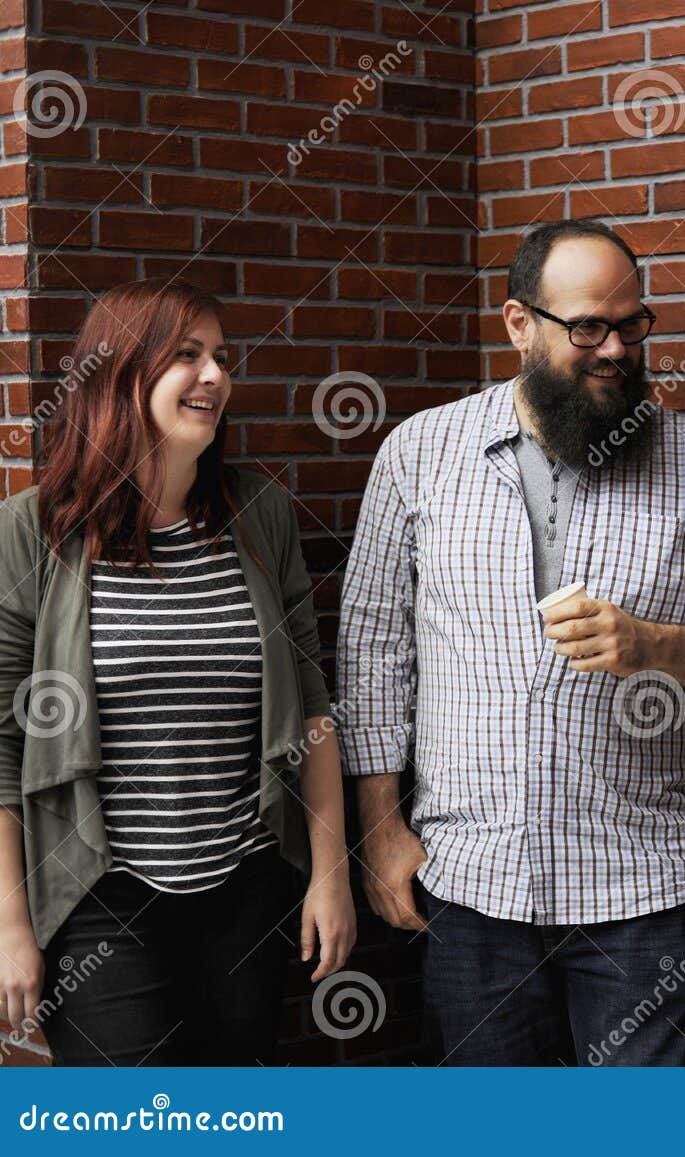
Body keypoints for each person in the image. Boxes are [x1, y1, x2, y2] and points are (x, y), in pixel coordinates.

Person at [338, 218, 685, 1066]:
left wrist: (655, 645)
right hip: (468, 878)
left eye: (632, 324)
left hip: (642, 886)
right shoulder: (419, 455)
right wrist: (382, 829)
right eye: (588, 327)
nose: (616, 349)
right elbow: (373, 651)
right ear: (520, 324)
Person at [0, 279, 355, 1065]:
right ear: (119, 372)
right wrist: (9, 924)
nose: (215, 375)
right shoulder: (33, 532)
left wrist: (330, 875)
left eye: (222, 357)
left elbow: (312, 706)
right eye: (187, 355)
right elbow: (2, 747)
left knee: (228, 1111)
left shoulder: (259, 514)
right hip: (99, 895)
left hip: (246, 883)